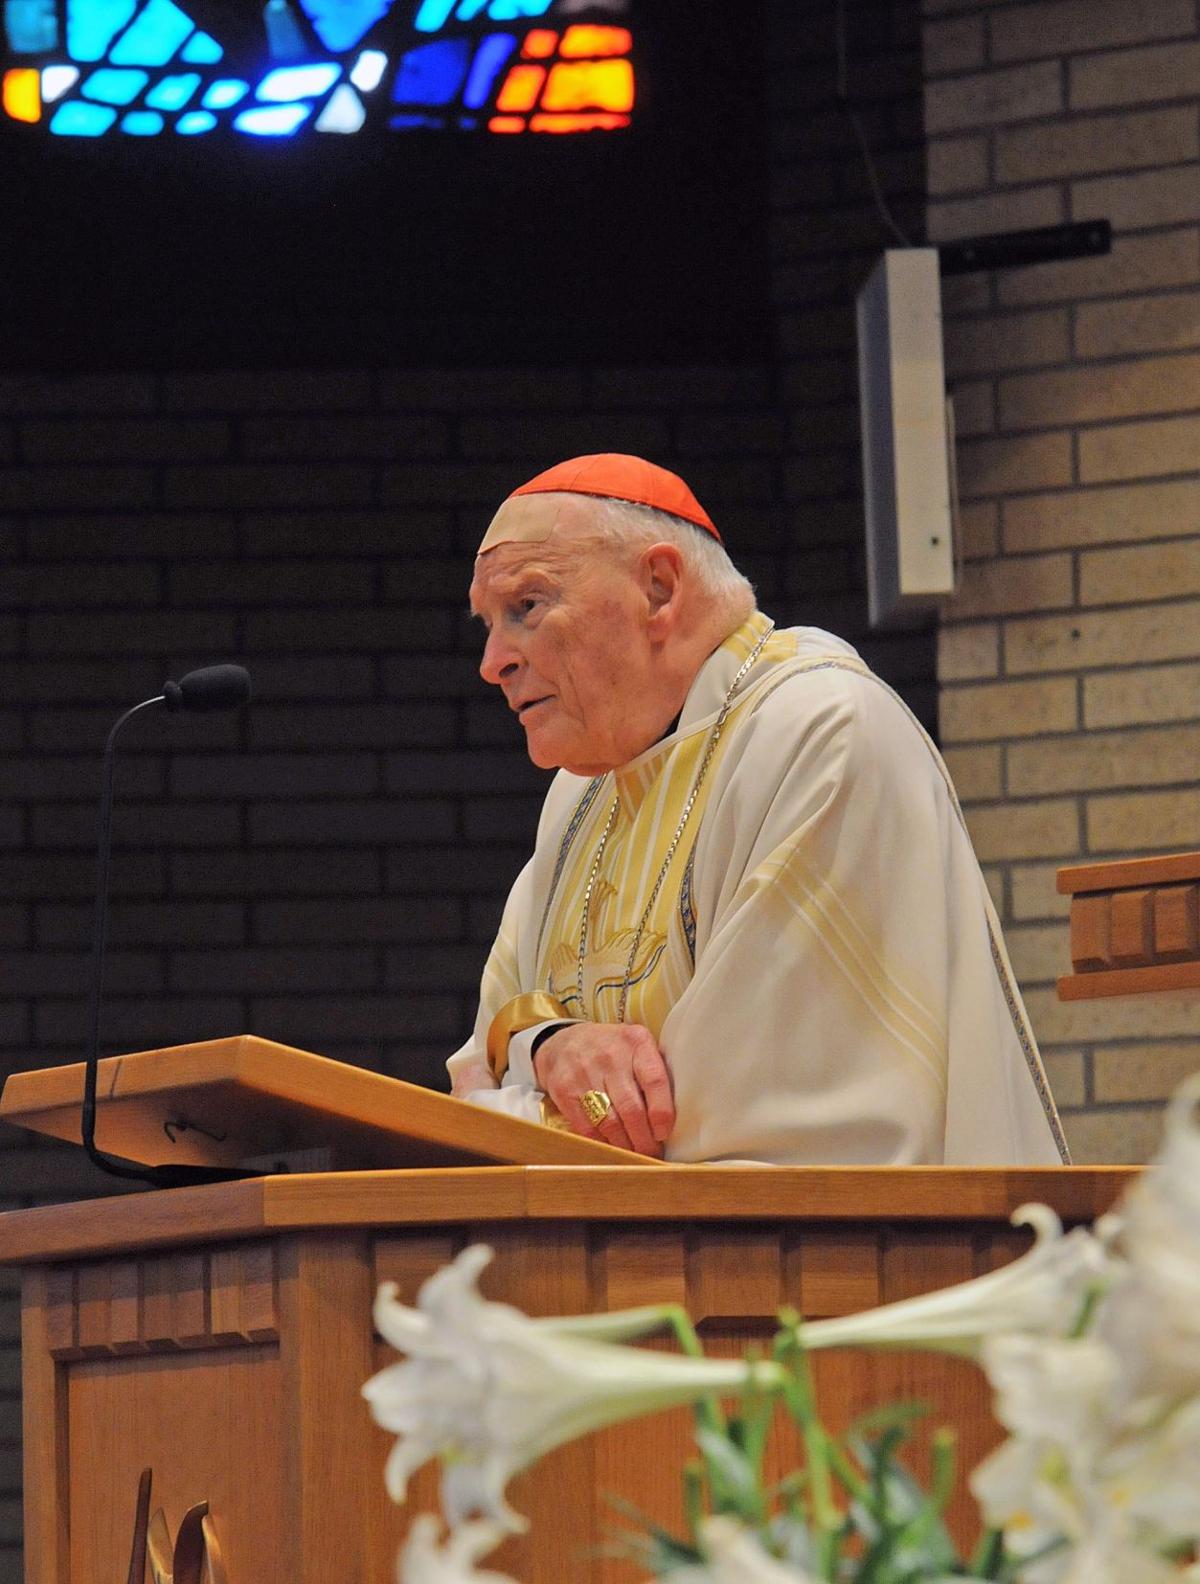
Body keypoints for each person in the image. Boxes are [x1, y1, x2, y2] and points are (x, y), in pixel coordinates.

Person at [447, 454, 1068, 1166]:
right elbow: (481, 1062)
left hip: (843, 1260)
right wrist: (550, 1041)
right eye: (488, 623)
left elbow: (735, 1123)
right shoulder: (582, 795)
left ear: (659, 588)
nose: (493, 661)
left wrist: (527, 1078)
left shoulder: (820, 732)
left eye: (526, 607)